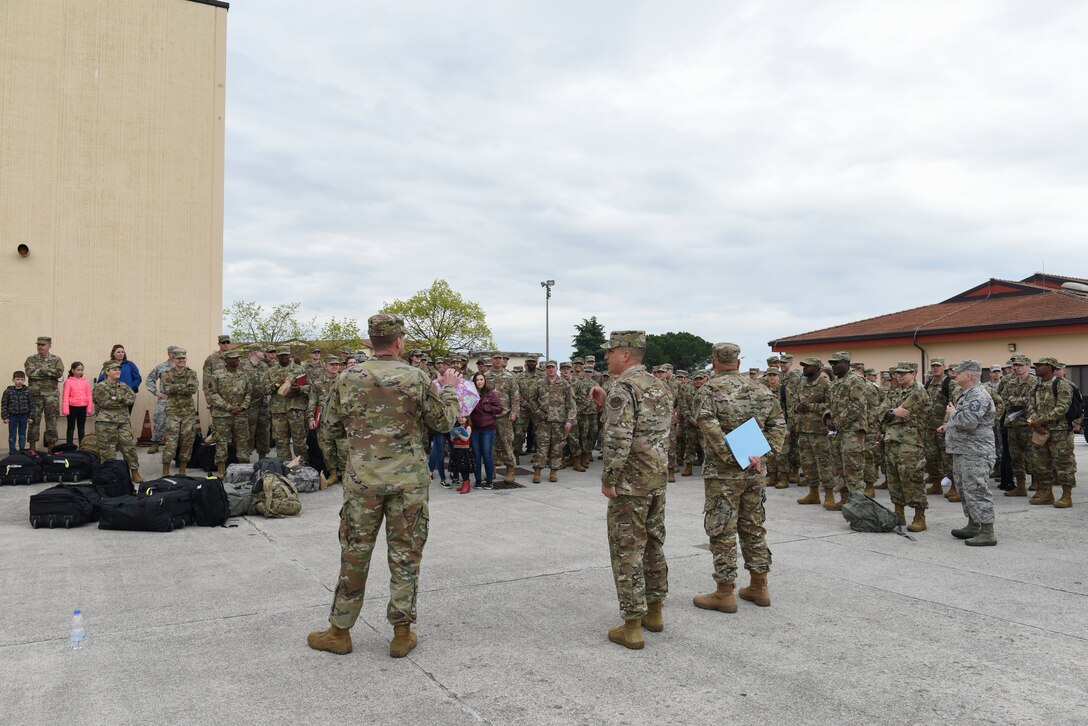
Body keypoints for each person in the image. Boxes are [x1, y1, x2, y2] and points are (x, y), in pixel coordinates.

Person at [307, 313, 460, 658]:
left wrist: (344, 466)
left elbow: (326, 430)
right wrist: (448, 387)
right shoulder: (416, 377)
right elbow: (444, 421)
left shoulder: (348, 378)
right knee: (405, 555)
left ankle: (339, 632)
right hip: (408, 482)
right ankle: (401, 633)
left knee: (354, 554)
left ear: (371, 341)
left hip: (363, 483)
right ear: (399, 341)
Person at [692, 342, 785, 613]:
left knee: (722, 528)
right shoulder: (762, 389)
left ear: (714, 362)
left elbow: (709, 427)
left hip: (724, 473)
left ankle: (724, 592)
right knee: (753, 525)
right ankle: (759, 584)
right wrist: (760, 456)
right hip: (755, 471)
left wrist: (735, 458)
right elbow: (778, 425)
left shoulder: (709, 389)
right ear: (739, 363)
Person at [594, 330, 670, 650]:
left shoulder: (623, 389)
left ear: (625, 355)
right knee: (653, 545)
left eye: (610, 351)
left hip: (630, 485)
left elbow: (618, 439)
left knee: (628, 551)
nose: (606, 356)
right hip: (656, 479)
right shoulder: (660, 386)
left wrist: (609, 478)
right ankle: (654, 613)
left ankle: (632, 626)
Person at [940, 360, 997, 545]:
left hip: (976, 453)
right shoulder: (968, 394)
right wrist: (949, 426)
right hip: (964, 451)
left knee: (977, 490)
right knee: (966, 490)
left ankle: (987, 532)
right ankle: (973, 525)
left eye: (959, 372)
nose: (955, 375)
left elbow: (969, 422)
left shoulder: (978, 395)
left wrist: (953, 413)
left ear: (969, 375)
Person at [883, 362, 930, 530]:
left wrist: (890, 413)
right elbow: (878, 413)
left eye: (904, 372)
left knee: (912, 479)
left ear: (913, 373)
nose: (900, 375)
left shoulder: (918, 391)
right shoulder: (894, 391)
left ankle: (920, 517)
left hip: (910, 443)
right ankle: (898, 513)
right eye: (897, 373)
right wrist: (891, 412)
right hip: (892, 441)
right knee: (894, 479)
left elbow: (903, 414)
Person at [1027, 356, 1077, 508]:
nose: (1035, 368)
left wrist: (1041, 421)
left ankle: (1066, 496)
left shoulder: (1062, 385)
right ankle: (1046, 494)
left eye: (1039, 365)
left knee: (1063, 464)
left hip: (1059, 431)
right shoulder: (1035, 386)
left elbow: (1062, 408)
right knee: (1041, 464)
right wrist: (1036, 424)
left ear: (1049, 367)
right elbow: (1030, 406)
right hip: (1040, 431)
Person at [824, 351, 868, 509]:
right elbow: (830, 405)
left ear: (847, 364)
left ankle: (858, 505)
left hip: (852, 432)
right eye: (832, 363)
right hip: (838, 432)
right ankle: (844, 500)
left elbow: (856, 407)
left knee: (852, 468)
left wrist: (837, 422)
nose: (833, 366)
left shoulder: (855, 381)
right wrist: (828, 418)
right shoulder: (836, 382)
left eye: (837, 363)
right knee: (838, 467)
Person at [792, 358, 834, 507]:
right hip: (803, 429)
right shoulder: (801, 384)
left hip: (819, 430)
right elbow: (794, 403)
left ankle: (829, 493)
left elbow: (831, 405)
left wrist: (811, 406)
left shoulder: (825, 384)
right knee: (807, 463)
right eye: (803, 366)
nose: (804, 369)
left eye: (807, 366)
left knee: (824, 463)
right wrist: (798, 407)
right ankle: (813, 493)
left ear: (817, 368)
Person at [93, 361, 143, 483]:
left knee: (129, 447)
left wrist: (117, 398)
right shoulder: (100, 387)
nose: (118, 371)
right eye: (115, 369)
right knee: (107, 450)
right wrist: (122, 401)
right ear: (107, 372)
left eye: (118, 369)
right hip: (106, 423)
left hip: (123, 421)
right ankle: (110, 475)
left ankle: (134, 472)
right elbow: (104, 403)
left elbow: (132, 398)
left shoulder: (124, 386)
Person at [207, 350, 252, 476]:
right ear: (226, 360)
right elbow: (213, 393)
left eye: (237, 358)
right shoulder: (217, 375)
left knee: (243, 442)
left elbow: (249, 392)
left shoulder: (244, 375)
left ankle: (244, 471)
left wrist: (243, 407)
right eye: (233, 358)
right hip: (222, 415)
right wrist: (228, 407)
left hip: (240, 415)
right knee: (221, 442)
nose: (236, 360)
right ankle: (221, 472)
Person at [531, 360, 576, 483]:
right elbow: (532, 400)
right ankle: (537, 471)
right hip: (543, 421)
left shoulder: (564, 384)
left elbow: (571, 404)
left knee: (557, 447)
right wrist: (538, 412)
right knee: (541, 446)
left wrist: (569, 420)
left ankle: (554, 471)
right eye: (548, 367)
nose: (550, 369)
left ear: (557, 369)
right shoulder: (539, 383)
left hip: (559, 421)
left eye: (553, 367)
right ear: (545, 369)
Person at [998, 353, 1036, 497]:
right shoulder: (1010, 383)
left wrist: (1014, 401)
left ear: (1027, 366)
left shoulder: (1034, 382)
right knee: (1016, 456)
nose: (1016, 368)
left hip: (1028, 424)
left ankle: (1036, 481)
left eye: (1020, 365)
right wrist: (1019, 401)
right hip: (1013, 424)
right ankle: (1020, 486)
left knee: (1031, 455)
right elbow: (1003, 400)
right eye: (1015, 365)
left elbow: (1032, 401)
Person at [264, 346, 308, 463]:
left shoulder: (300, 369)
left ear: (290, 355)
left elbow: (310, 387)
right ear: (277, 356)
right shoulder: (271, 371)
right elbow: (264, 389)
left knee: (299, 441)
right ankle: (285, 467)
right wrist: (276, 384)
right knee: (281, 441)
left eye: (286, 355)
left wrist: (299, 389)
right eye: (281, 355)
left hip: (296, 410)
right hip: (279, 412)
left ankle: (302, 466)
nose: (284, 357)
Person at [160, 348, 199, 476]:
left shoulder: (191, 373)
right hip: (173, 412)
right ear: (174, 359)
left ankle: (183, 468)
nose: (181, 360)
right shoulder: (166, 373)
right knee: (171, 441)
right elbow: (166, 389)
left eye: (183, 358)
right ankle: (166, 468)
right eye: (179, 358)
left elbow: (193, 389)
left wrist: (175, 387)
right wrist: (183, 387)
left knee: (187, 440)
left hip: (188, 412)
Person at [307, 355, 344, 485]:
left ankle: (345, 474)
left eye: (337, 364)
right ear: (325, 365)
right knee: (327, 449)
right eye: (332, 364)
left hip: (341, 420)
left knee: (343, 448)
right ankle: (333, 474)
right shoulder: (317, 382)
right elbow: (312, 401)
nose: (335, 366)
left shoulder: (344, 380)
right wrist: (311, 418)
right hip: (323, 420)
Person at [24, 336, 64, 451]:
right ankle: (32, 449)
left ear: (49, 346)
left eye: (43, 345)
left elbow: (59, 373)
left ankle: (51, 449)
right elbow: (30, 373)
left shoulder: (56, 359)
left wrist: (41, 370)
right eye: (38, 345)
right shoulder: (30, 359)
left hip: (51, 396)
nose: (40, 347)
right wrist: (49, 372)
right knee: (33, 421)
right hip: (35, 395)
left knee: (51, 422)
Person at [486, 353, 520, 484]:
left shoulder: (510, 377)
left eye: (500, 358)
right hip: (488, 415)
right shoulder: (486, 376)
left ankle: (510, 470)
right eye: (495, 358)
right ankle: (492, 470)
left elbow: (515, 396)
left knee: (507, 444)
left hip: (505, 415)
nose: (498, 361)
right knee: (491, 445)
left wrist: (514, 412)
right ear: (491, 360)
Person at [470, 372, 503, 489]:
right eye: (477, 380)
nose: (479, 382)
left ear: (485, 381)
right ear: (474, 381)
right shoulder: (470, 393)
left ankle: (489, 480)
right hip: (474, 428)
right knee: (476, 455)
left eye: (481, 379)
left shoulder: (490, 394)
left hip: (487, 428)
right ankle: (478, 480)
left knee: (487, 454)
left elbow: (500, 408)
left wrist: (488, 407)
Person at [144, 347, 178, 454]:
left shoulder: (183, 367)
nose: (176, 355)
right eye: (174, 353)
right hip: (165, 399)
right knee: (160, 420)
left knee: (178, 423)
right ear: (169, 354)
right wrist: (156, 392)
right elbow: (150, 379)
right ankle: (155, 443)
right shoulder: (161, 367)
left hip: (179, 400)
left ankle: (178, 446)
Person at [245, 346, 271, 460]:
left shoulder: (264, 366)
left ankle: (262, 459)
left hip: (263, 404)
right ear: (255, 352)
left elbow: (268, 382)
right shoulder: (243, 366)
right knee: (248, 433)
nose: (263, 353)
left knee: (264, 432)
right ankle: (246, 459)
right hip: (249, 405)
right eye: (261, 351)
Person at [61, 362, 93, 445]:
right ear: (73, 370)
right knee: (71, 427)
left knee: (81, 428)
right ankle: (69, 445)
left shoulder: (85, 382)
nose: (80, 372)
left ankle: (82, 445)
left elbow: (89, 395)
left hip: (83, 407)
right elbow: (65, 396)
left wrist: (89, 408)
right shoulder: (68, 382)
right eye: (78, 370)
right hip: (72, 408)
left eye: (82, 370)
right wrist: (65, 409)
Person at [2, 371, 34, 454]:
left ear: (24, 380)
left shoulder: (28, 391)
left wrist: (31, 417)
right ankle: (12, 452)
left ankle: (22, 451)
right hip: (12, 417)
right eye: (17, 379)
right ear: (13, 380)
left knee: (22, 435)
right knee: (12, 435)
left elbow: (32, 405)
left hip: (24, 416)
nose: (19, 381)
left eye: (22, 379)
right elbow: (4, 404)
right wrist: (5, 417)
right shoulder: (8, 391)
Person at [203, 335, 231, 407]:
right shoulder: (211, 358)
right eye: (223, 342)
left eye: (228, 342)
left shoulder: (236, 358)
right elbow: (206, 377)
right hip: (217, 394)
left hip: (233, 394)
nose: (226, 344)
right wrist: (207, 394)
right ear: (219, 344)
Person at [449, 416, 474, 494]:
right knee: (459, 467)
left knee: (464, 468)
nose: (460, 418)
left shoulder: (468, 427)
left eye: (463, 417)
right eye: (459, 417)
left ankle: (467, 484)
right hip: (456, 449)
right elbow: (451, 439)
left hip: (464, 450)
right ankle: (464, 483)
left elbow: (466, 438)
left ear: (467, 418)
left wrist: (459, 434)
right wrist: (453, 435)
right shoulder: (456, 427)